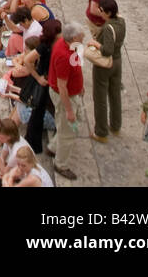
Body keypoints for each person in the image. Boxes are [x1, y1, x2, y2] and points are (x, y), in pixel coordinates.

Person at [49, 21, 85, 181]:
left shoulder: (66, 45)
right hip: (65, 96)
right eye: (81, 37)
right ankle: (60, 164)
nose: (83, 39)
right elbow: (62, 87)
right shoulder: (64, 56)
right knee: (68, 132)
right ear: (73, 38)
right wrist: (69, 110)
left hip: (72, 92)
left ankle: (53, 147)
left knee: (64, 126)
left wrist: (80, 85)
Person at [89, 0, 126, 142]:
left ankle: (101, 131)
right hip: (118, 61)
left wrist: (96, 44)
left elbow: (107, 50)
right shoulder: (121, 22)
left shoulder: (108, 27)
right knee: (115, 94)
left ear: (108, 13)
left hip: (106, 64)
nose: (100, 12)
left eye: (102, 11)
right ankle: (116, 125)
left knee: (100, 97)